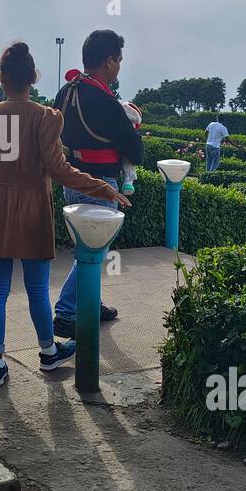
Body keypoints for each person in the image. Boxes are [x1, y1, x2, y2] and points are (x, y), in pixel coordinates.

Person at [0, 43, 131, 387]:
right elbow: (59, 168)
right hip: (30, 205)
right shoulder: (45, 116)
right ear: (33, 77)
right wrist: (102, 187)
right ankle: (48, 353)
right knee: (37, 288)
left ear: (1, 77)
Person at [50, 29, 143, 339]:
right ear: (108, 61)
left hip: (71, 177)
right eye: (118, 60)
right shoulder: (104, 98)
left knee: (89, 246)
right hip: (102, 181)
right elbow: (136, 150)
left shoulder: (66, 91)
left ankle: (90, 301)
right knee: (95, 249)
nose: (119, 66)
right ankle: (66, 311)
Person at [120, 100, 143, 194]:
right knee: (129, 164)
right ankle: (128, 183)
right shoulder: (133, 128)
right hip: (129, 149)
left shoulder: (118, 115)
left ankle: (128, 183)